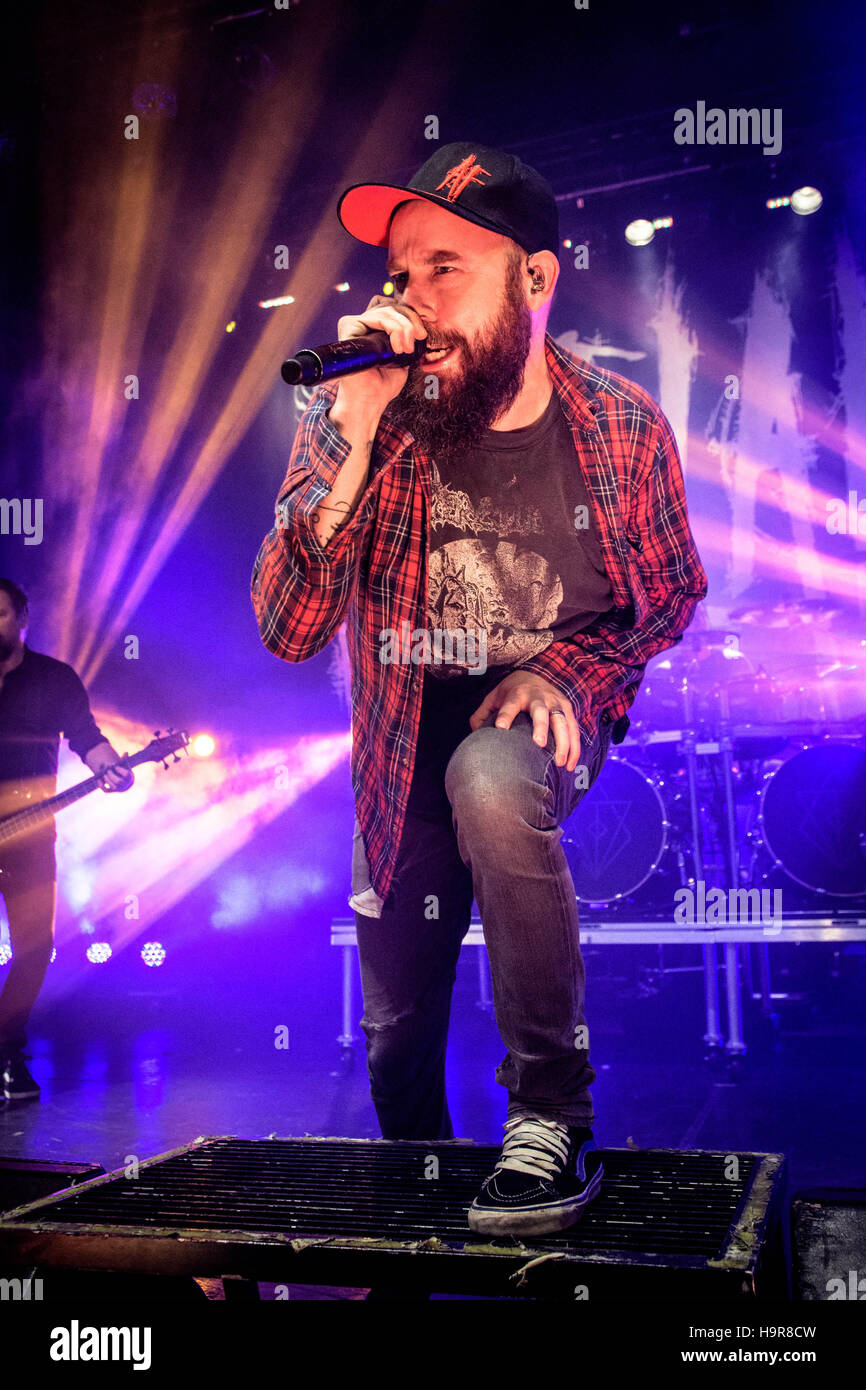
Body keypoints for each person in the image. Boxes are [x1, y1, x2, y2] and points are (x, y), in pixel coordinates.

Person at [252, 142, 707, 1238]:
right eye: (402, 274)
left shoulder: (620, 427)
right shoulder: (368, 423)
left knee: (491, 775)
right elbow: (285, 629)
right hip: (397, 747)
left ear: (534, 280)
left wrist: (570, 668)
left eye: (444, 267)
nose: (413, 298)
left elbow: (668, 596)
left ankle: (550, 1118)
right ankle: (419, 1194)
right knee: (397, 1030)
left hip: (533, 728)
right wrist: (354, 433)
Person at [0, 579, 134, 1102]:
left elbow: (87, 737)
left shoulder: (54, 679)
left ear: (23, 617)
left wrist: (113, 769)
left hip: (32, 835)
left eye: (1, 614)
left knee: (36, 948)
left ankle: (8, 1049)